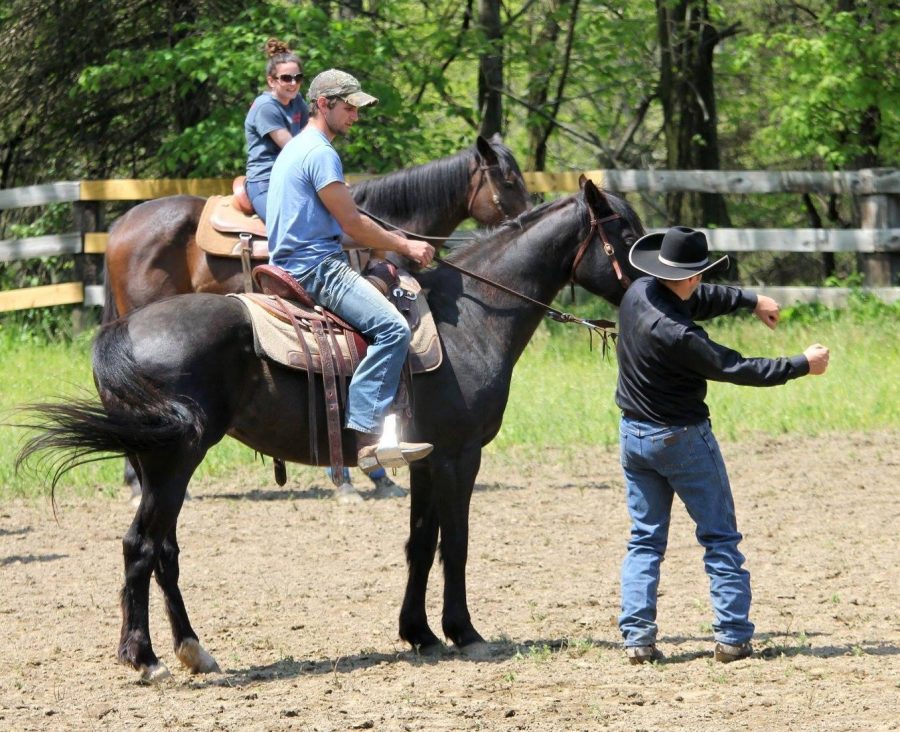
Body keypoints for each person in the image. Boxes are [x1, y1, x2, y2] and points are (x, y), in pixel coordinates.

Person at [614, 225, 830, 665]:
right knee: (719, 538)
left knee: (645, 540)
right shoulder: (680, 336)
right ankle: (732, 636)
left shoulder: (639, 291)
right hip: (682, 440)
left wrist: (751, 300)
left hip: (633, 436)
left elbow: (700, 297)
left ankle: (638, 639)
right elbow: (736, 367)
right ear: (692, 275)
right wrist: (801, 365)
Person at [267, 69, 436, 473]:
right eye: (348, 108)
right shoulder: (321, 152)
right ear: (323, 104)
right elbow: (353, 224)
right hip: (317, 269)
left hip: (293, 261)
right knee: (393, 329)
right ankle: (367, 434)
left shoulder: (295, 148)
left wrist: (387, 237)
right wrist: (406, 244)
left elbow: (328, 224)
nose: (354, 117)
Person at [244, 39, 309, 222]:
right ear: (271, 81)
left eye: (298, 78)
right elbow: (293, 149)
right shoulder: (266, 107)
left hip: (293, 178)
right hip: (266, 181)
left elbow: (312, 135)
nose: (293, 83)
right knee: (288, 226)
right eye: (287, 78)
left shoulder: (297, 101)